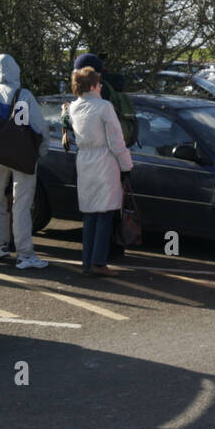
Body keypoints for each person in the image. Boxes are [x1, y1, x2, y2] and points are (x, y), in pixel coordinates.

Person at [0, 53, 49, 270]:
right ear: (15, 70)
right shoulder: (22, 95)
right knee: (21, 205)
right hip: (22, 157)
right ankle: (25, 254)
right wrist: (41, 151)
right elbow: (35, 127)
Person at [68, 67, 133, 276]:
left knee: (90, 214)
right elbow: (116, 140)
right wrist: (126, 165)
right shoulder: (104, 107)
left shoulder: (74, 107)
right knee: (105, 213)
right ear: (95, 85)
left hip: (84, 160)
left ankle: (87, 260)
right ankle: (99, 262)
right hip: (104, 161)